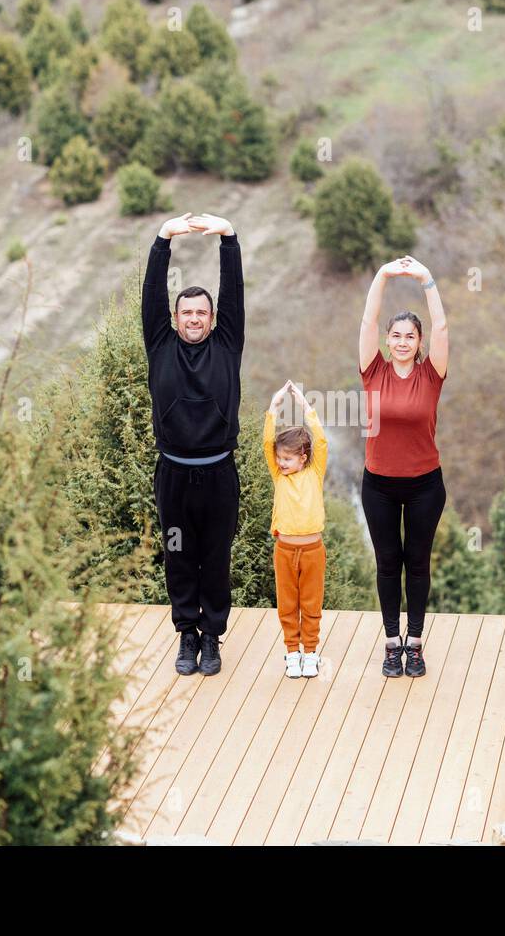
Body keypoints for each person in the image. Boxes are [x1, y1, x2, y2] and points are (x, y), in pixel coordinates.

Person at [143, 212, 242, 676]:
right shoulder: (161, 344)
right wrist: (164, 238)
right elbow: (150, 296)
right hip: (174, 474)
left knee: (215, 557)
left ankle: (212, 637)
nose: (195, 318)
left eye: (202, 312)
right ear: (176, 318)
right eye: (187, 312)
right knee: (179, 555)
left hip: (220, 471)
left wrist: (228, 237)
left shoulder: (227, 344)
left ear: (213, 318)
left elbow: (235, 292)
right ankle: (186, 634)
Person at [357, 255, 448, 678]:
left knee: (418, 562)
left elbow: (444, 328)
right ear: (388, 340)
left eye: (410, 336)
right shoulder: (373, 370)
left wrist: (426, 280)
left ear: (420, 341)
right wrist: (382, 276)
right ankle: (391, 644)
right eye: (396, 335)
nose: (401, 341)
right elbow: (366, 322)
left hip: (425, 486)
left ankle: (416, 643)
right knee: (387, 562)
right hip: (378, 485)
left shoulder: (432, 374)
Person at [263, 380, 329, 679]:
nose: (281, 462)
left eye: (287, 458)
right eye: (279, 458)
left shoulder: (315, 473)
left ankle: (311, 652)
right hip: (284, 550)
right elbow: (267, 444)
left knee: (311, 602)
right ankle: (292, 653)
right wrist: (274, 409)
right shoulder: (279, 476)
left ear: (303, 458)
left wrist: (305, 407)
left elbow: (321, 441)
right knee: (287, 604)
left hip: (313, 550)